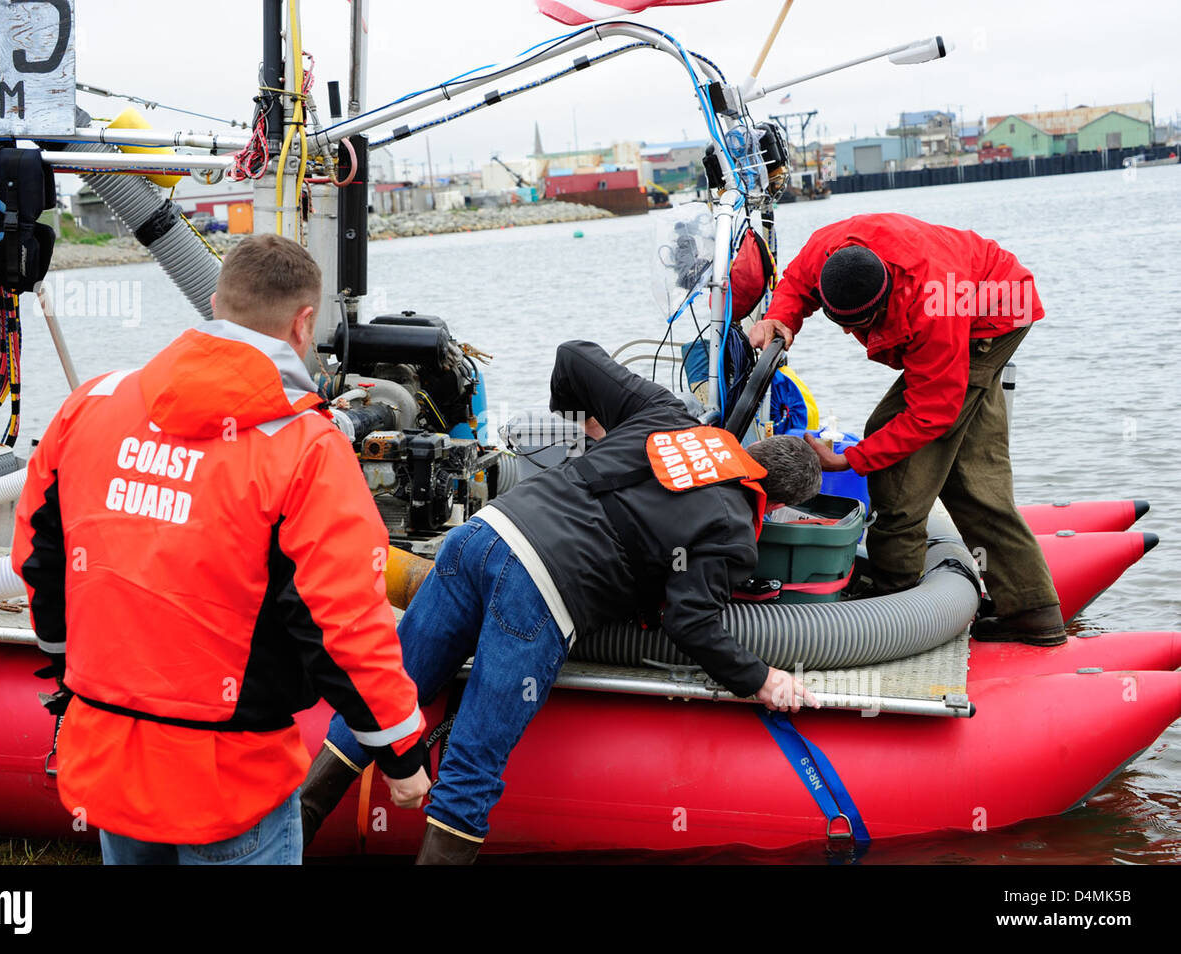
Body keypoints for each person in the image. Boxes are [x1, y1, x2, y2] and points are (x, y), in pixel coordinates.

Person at [300, 340, 823, 864]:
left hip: (482, 535)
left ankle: (292, 832)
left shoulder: (665, 414)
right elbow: (691, 623)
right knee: (472, 766)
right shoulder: (733, 531)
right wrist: (764, 678)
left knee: (387, 696)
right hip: (540, 589)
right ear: (774, 503)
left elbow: (572, 354)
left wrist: (593, 431)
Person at [11, 234, 430, 865]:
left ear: (213, 303)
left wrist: (65, 656)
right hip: (230, 773)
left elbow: (41, 550)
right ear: (304, 321)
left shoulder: (94, 403)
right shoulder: (307, 448)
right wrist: (399, 748)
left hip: (112, 746)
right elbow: (340, 619)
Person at [748, 212, 1063, 644]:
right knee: (970, 473)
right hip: (974, 287)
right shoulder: (827, 252)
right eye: (840, 322)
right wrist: (781, 318)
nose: (848, 333)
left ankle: (896, 602)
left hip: (990, 316)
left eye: (861, 325)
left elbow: (931, 413)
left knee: (901, 464)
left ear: (887, 297)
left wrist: (850, 459)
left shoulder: (933, 305)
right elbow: (796, 286)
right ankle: (1031, 610)